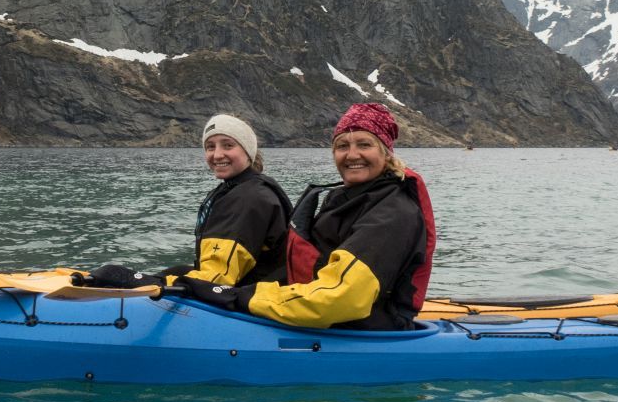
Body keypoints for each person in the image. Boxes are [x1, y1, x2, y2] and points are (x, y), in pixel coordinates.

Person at [171, 101, 437, 330]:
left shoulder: (394, 213)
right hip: (322, 318)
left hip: (361, 327)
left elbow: (341, 297)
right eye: (342, 145)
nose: (352, 154)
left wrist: (238, 297)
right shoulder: (346, 199)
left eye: (364, 144)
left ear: (385, 152)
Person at [82, 113, 289, 290]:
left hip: (249, 298)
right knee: (176, 271)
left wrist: (137, 281)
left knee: (125, 276)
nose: (217, 155)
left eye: (228, 145)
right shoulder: (242, 187)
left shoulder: (248, 198)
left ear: (248, 150)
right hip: (250, 282)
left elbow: (217, 278)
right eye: (210, 147)